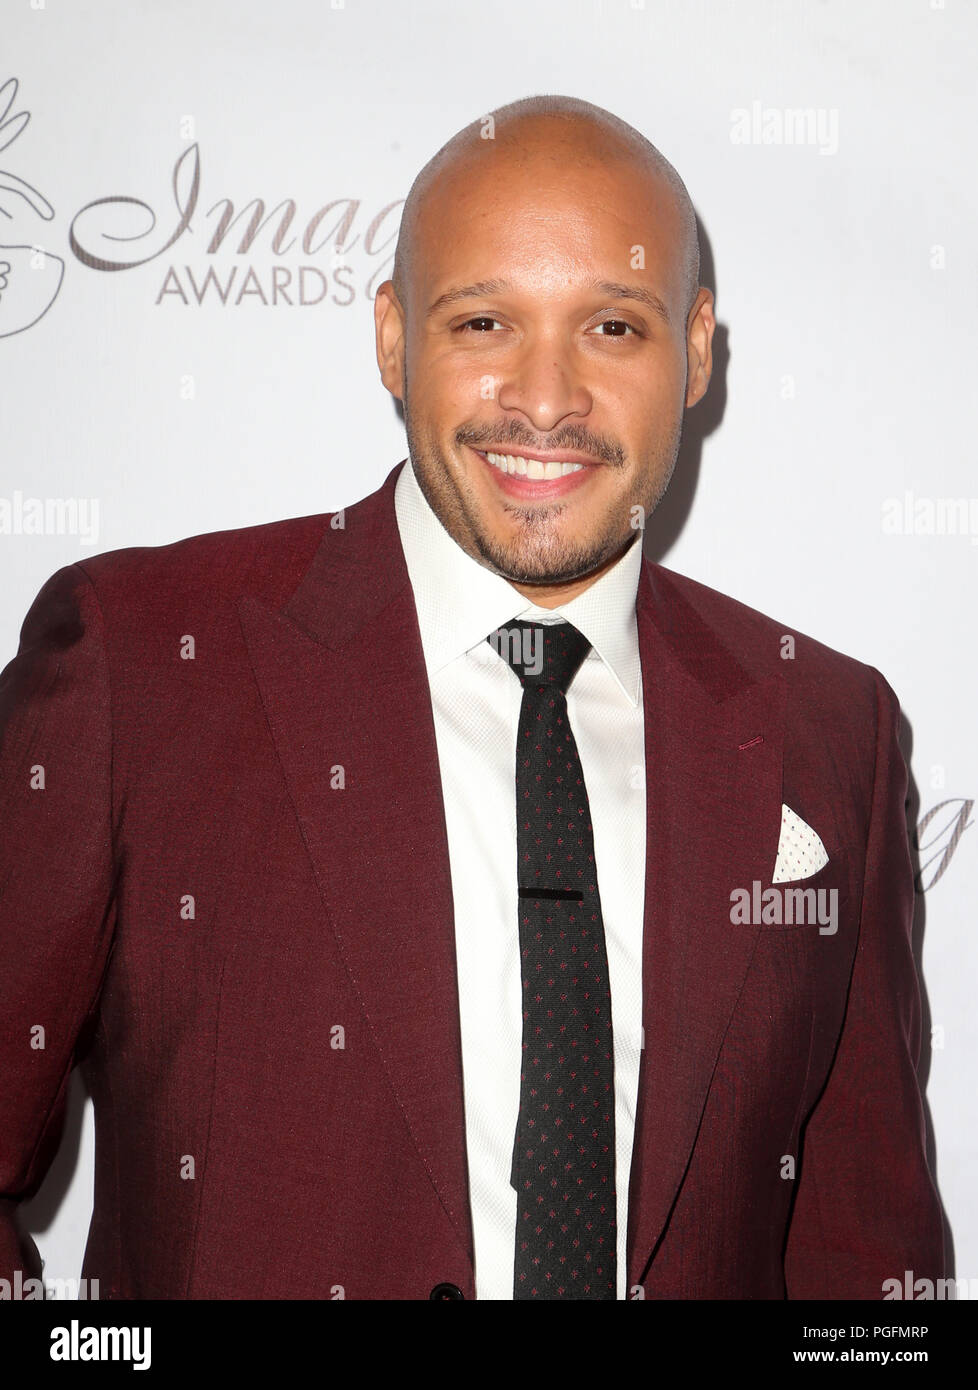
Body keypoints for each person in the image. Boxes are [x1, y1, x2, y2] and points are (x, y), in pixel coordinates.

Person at [0, 94, 944, 1300]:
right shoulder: (141, 663)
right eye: (485, 319)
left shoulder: (831, 729)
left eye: (612, 325)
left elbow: (868, 1266)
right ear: (394, 337)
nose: (544, 400)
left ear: (699, 349)